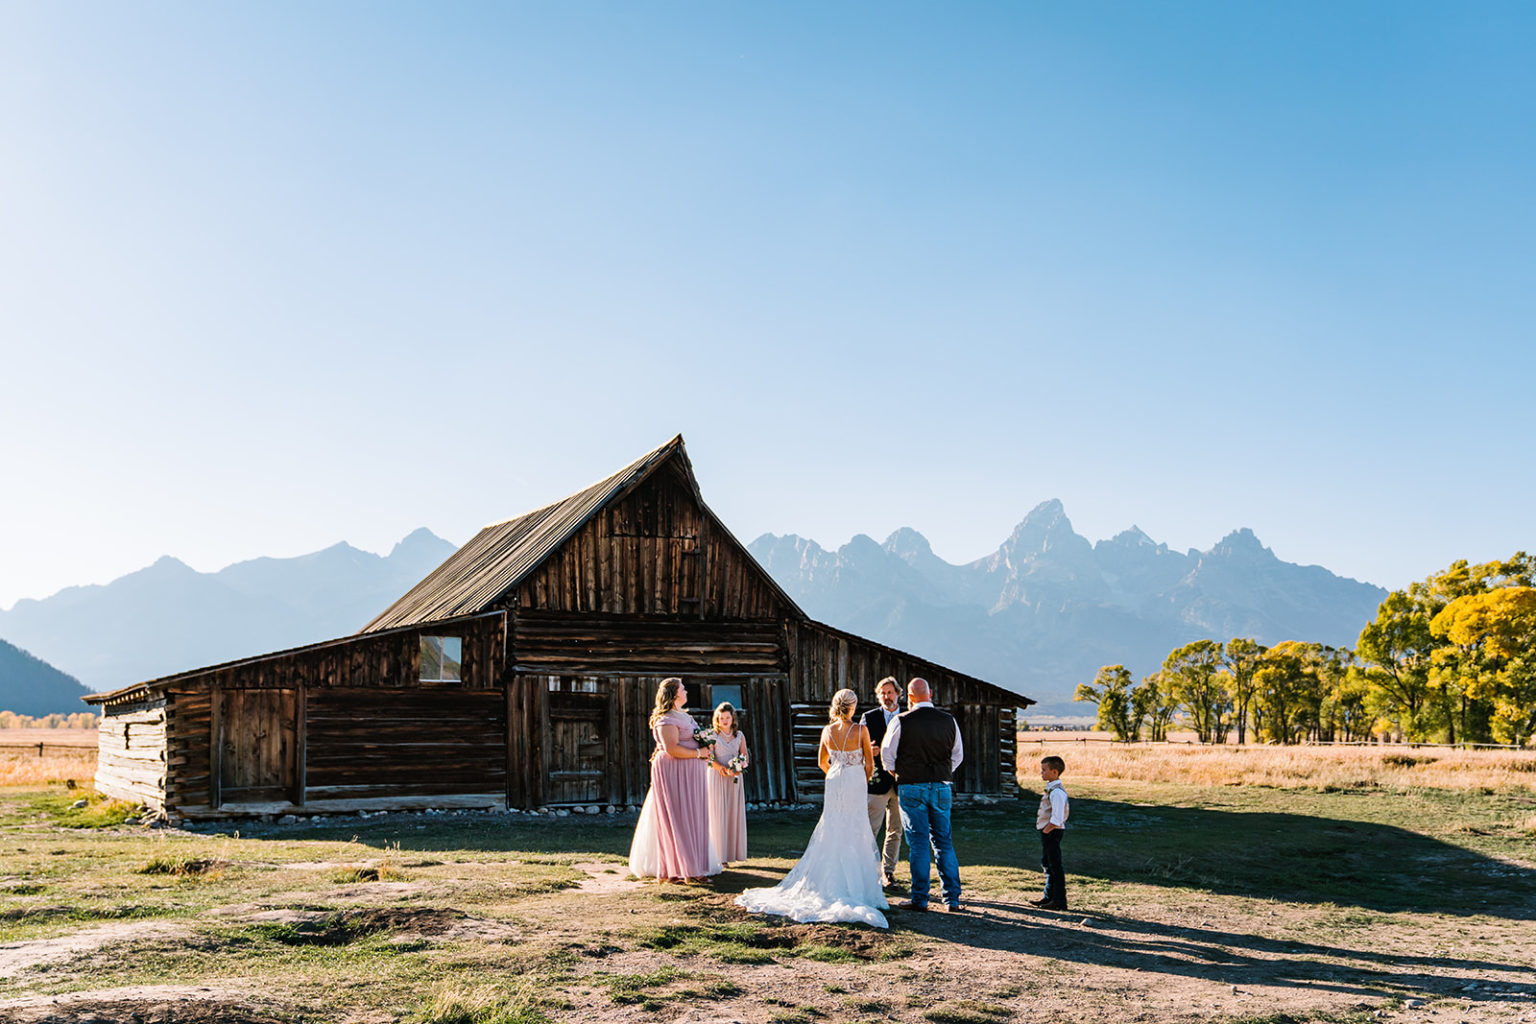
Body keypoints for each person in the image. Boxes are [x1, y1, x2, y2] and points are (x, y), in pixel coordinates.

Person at [735, 688, 889, 927]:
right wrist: (861, 778)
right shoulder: (861, 730)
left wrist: (836, 774)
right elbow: (869, 762)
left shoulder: (827, 730)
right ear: (852, 707)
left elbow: (821, 761)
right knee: (855, 826)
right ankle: (857, 885)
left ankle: (831, 878)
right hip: (855, 780)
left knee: (833, 825)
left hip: (834, 779)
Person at [880, 677, 963, 912]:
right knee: (943, 842)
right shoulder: (949, 721)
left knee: (918, 843)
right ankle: (952, 899)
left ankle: (920, 898)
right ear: (931, 693)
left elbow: (887, 755)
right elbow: (957, 755)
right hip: (940, 785)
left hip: (911, 785)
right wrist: (942, 773)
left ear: (910, 696)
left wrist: (901, 773)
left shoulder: (901, 721)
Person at [628, 677, 721, 882]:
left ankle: (694, 867)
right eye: (683, 689)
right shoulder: (666, 719)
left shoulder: (685, 716)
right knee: (678, 818)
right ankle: (676, 870)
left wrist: (707, 747)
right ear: (673, 694)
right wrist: (699, 753)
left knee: (695, 816)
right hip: (674, 772)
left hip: (692, 772)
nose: (686, 691)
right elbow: (672, 749)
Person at [861, 676, 904, 887]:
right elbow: (857, 747)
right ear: (878, 696)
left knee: (895, 830)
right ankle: (867, 871)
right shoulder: (868, 718)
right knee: (870, 829)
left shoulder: (908, 716)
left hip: (901, 782)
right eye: (883, 693)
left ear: (898, 694)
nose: (887, 697)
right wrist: (868, 751)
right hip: (876, 782)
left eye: (890, 692)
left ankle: (888, 872)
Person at [706, 701, 749, 866]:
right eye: (721, 717)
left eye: (727, 717)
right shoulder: (712, 735)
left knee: (732, 813)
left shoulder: (739, 735)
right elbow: (708, 757)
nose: (724, 720)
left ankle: (731, 853)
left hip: (734, 779)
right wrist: (721, 768)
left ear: (733, 719)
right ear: (717, 719)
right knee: (718, 814)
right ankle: (718, 856)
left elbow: (745, 756)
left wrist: (738, 767)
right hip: (717, 776)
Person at [1029, 755, 1070, 910]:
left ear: (1054, 772)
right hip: (1049, 831)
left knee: (1055, 865)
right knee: (1047, 863)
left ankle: (1059, 900)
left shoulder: (1057, 792)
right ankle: (1048, 897)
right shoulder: (1051, 788)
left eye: (1044, 770)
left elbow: (1057, 817)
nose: (1041, 773)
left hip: (1053, 831)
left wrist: (1047, 830)